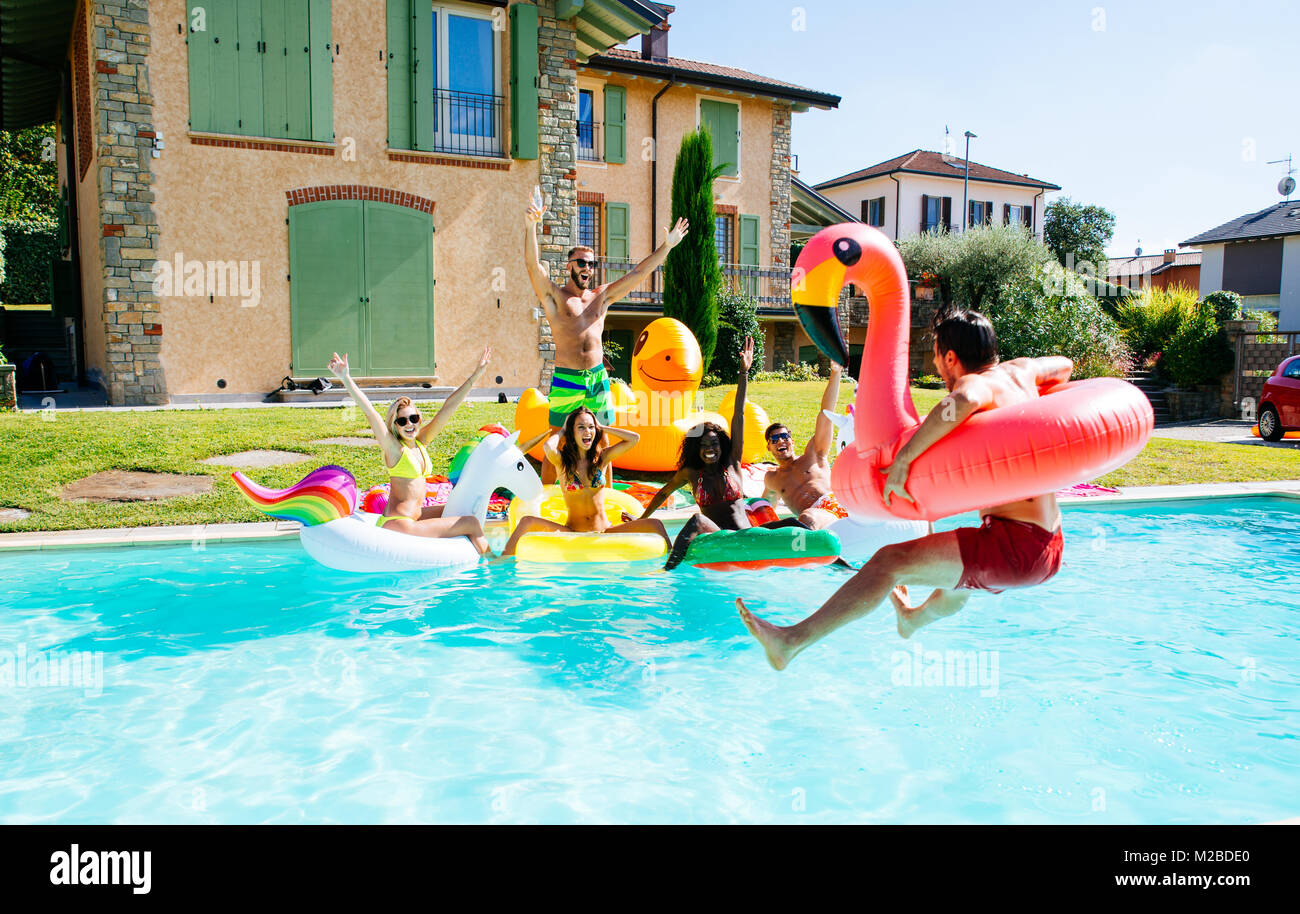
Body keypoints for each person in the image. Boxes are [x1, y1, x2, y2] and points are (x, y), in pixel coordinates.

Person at [737, 309, 1072, 669]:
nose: (935, 366)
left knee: (887, 561)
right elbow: (1065, 366)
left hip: (1016, 548)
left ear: (950, 358)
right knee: (957, 579)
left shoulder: (977, 384)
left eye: (936, 357)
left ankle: (791, 641)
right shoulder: (1020, 371)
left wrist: (905, 459)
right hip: (1050, 542)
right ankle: (914, 619)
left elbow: (961, 403)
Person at [524, 194, 689, 483]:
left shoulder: (601, 297)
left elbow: (638, 272)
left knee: (602, 442)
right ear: (569, 266)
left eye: (591, 264)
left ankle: (606, 496)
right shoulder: (556, 297)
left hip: (598, 378)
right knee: (558, 441)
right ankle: (547, 499)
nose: (587, 268)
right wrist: (530, 227)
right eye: (581, 263)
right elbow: (532, 266)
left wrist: (668, 246)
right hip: (567, 378)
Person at [328, 348, 492, 555]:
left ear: (419, 419)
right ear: (395, 425)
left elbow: (448, 408)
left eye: (413, 418)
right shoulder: (395, 450)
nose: (409, 424)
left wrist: (477, 373)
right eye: (402, 420)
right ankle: (491, 566)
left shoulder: (420, 442)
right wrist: (346, 378)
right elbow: (371, 413)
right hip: (399, 523)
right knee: (471, 523)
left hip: (416, 516)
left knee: (463, 511)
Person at [641, 337, 756, 569]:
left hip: (744, 536)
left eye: (713, 444)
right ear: (697, 449)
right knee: (696, 519)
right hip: (715, 538)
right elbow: (663, 494)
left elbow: (739, 415)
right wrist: (641, 520)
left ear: (721, 446)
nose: (709, 450)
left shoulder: (732, 462)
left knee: (794, 522)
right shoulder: (691, 473)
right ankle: (668, 570)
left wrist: (743, 374)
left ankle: (836, 561)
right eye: (703, 446)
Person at [500, 407, 671, 556]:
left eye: (590, 427)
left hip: (605, 529)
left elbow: (634, 438)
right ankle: (504, 560)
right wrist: (562, 430)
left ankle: (673, 564)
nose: (587, 432)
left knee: (656, 524)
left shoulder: (601, 458)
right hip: (573, 530)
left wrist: (601, 426)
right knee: (526, 522)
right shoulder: (562, 462)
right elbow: (548, 447)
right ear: (572, 433)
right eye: (580, 427)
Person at [760, 362, 849, 530]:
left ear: (792, 442)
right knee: (803, 520)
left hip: (836, 508)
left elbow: (825, 415)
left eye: (785, 436)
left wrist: (835, 373)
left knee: (807, 518)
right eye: (775, 439)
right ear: (768, 447)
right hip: (812, 522)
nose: (781, 441)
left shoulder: (813, 455)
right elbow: (764, 510)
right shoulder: (772, 479)